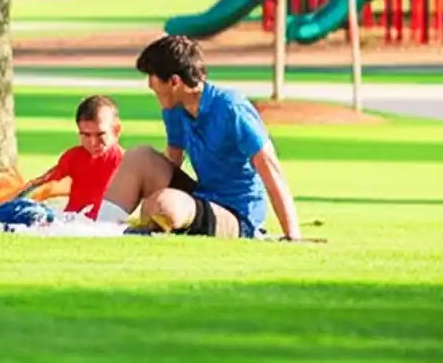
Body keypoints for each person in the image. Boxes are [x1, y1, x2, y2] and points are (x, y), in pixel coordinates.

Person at [95, 35, 302, 240]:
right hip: (203, 196)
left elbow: (270, 166)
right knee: (139, 156)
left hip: (237, 215)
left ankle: (152, 221)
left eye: (153, 77)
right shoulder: (175, 109)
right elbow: (171, 163)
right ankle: (97, 227)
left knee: (164, 204)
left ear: (174, 81)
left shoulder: (231, 108)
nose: (149, 85)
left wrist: (292, 234)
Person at [16, 95, 123, 219]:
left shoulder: (126, 163)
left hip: (106, 224)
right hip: (72, 220)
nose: (93, 142)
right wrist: (14, 201)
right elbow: (43, 182)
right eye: (86, 135)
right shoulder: (73, 157)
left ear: (116, 130)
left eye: (100, 134)